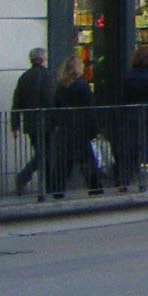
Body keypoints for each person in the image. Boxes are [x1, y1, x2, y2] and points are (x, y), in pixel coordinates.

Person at [50, 56, 99, 197]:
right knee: (88, 162)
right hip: (80, 128)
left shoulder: (61, 86)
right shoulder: (82, 86)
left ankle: (57, 191)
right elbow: (90, 108)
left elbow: (56, 107)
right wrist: (94, 129)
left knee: (63, 164)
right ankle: (95, 189)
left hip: (66, 129)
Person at [10, 46, 52, 194]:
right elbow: (49, 99)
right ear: (43, 59)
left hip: (31, 123)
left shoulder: (24, 77)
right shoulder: (47, 76)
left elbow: (17, 102)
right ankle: (25, 177)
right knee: (45, 154)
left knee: (42, 153)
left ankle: (32, 180)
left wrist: (14, 125)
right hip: (47, 123)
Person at [119, 45, 148, 192]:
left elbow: (124, 97)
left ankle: (124, 181)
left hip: (131, 116)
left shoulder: (129, 76)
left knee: (131, 150)